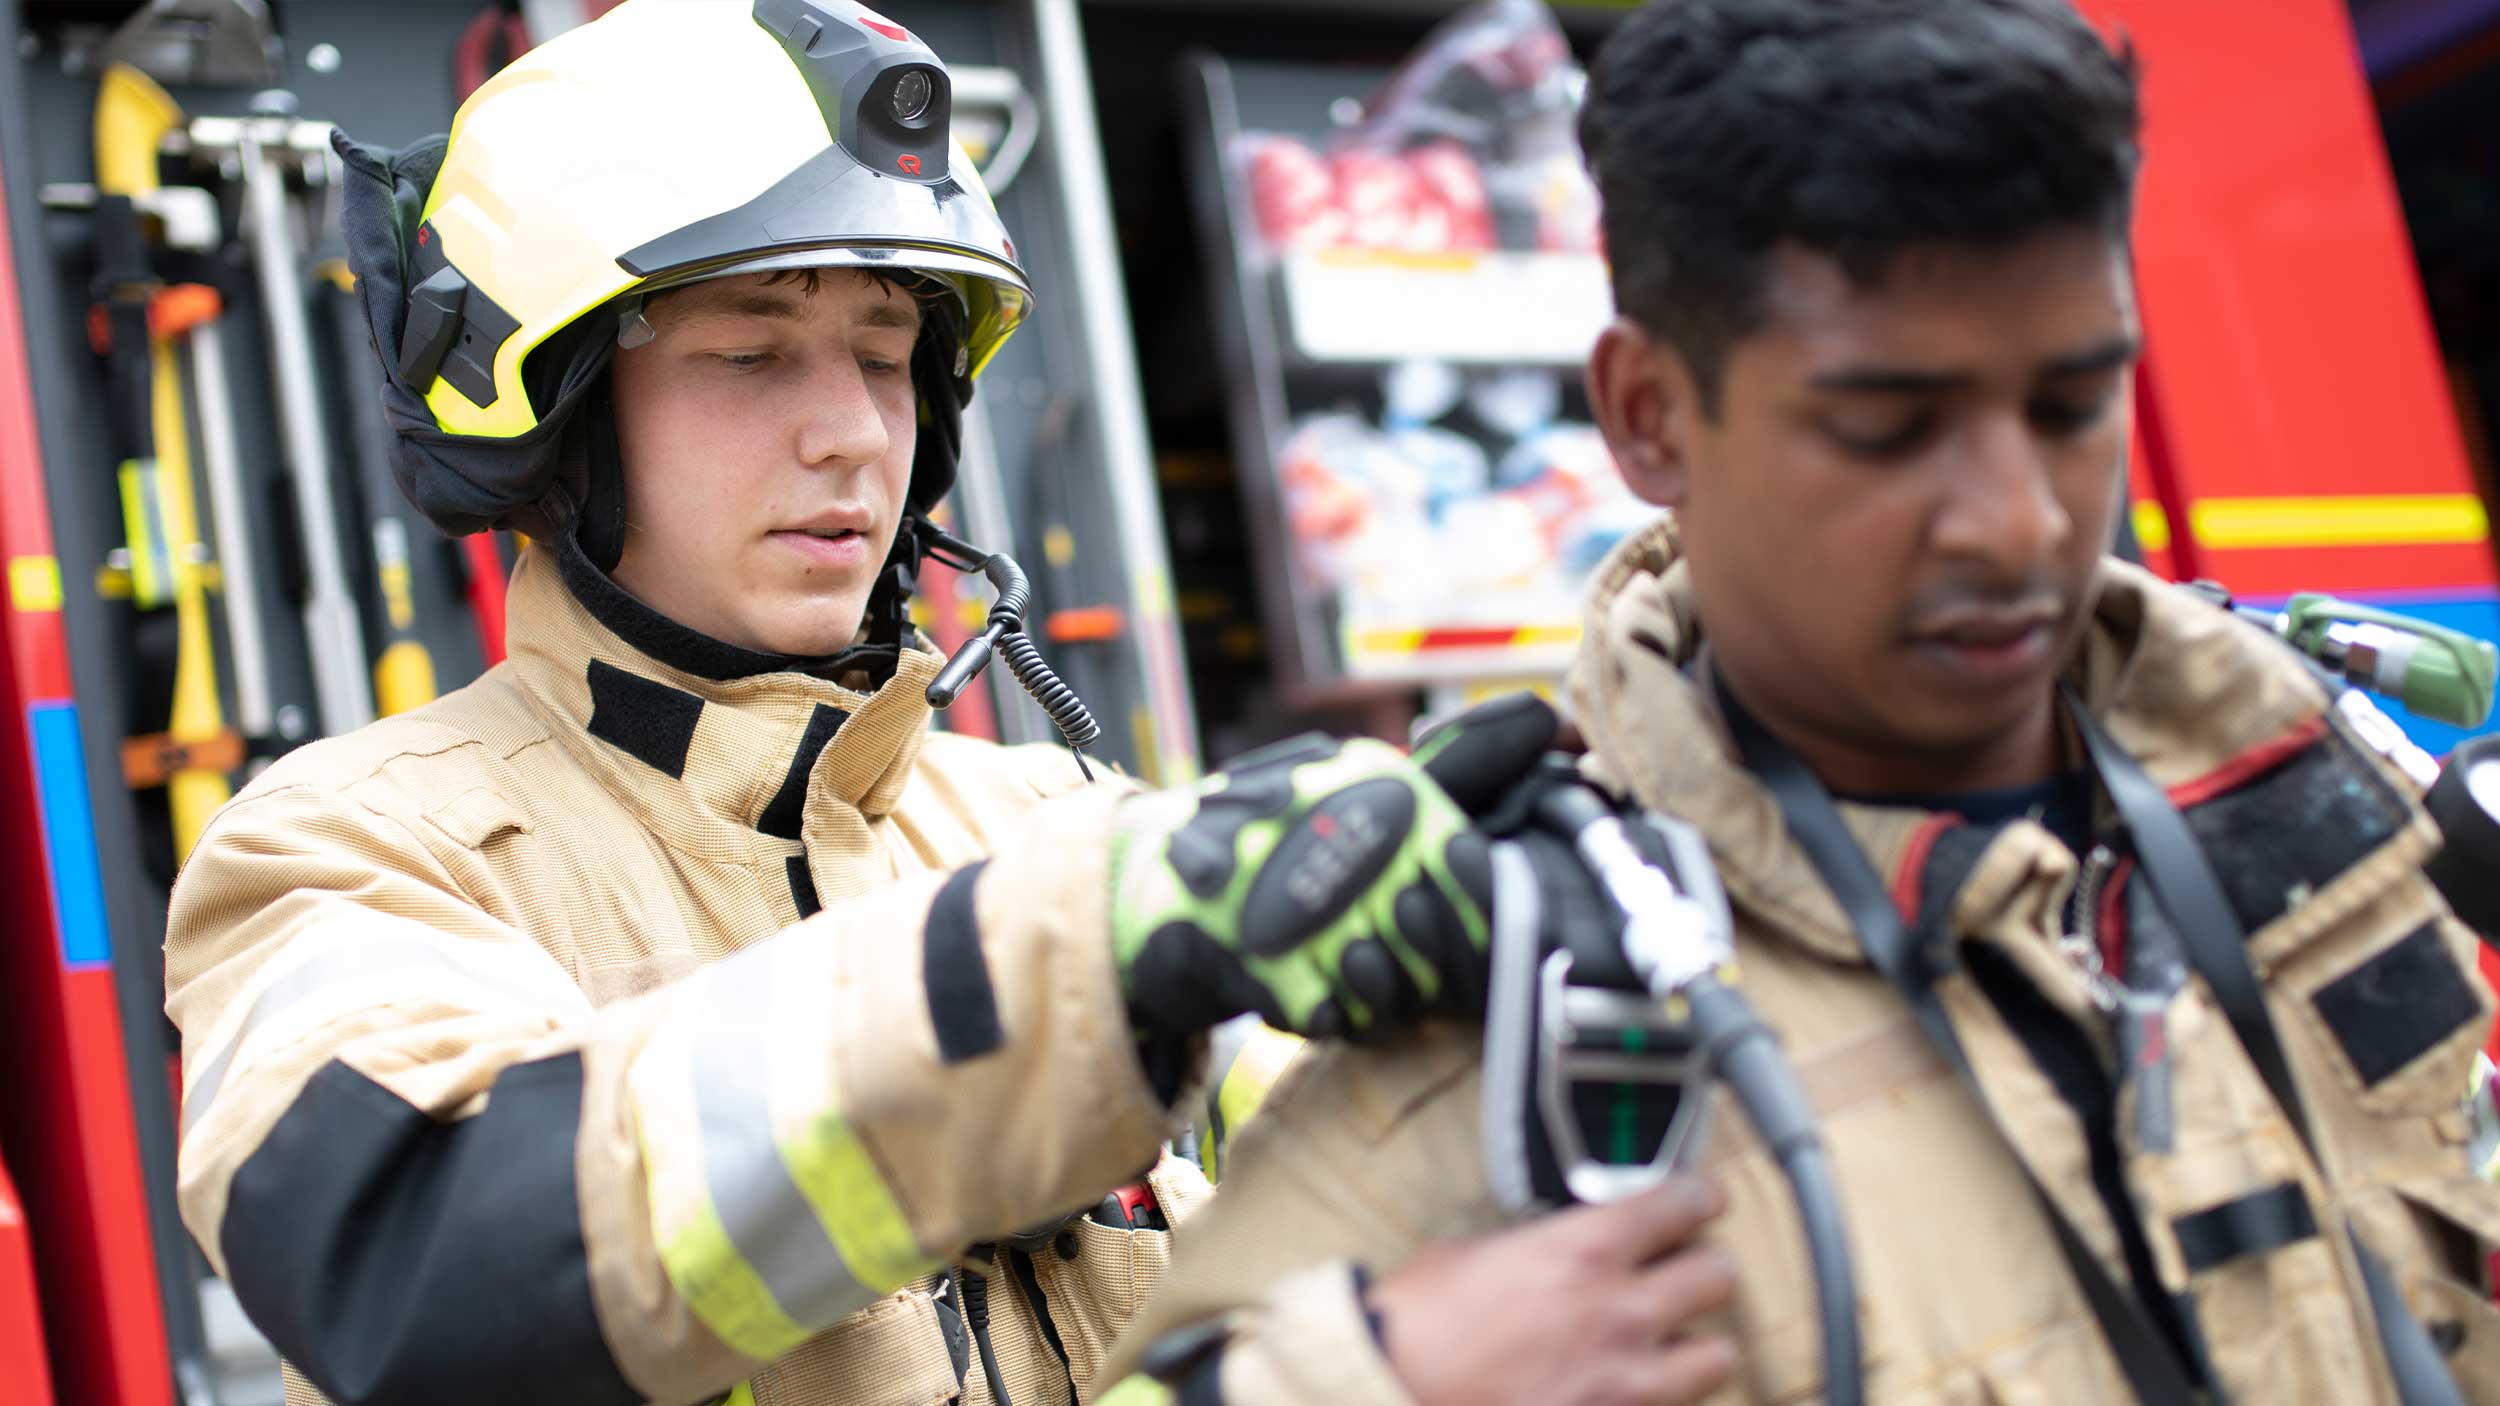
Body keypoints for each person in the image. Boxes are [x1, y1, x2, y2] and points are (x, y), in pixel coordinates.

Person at [157, 3, 1725, 1403]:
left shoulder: (1052, 821)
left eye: (888, 353)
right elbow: (416, 1263)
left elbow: (1402, 1193)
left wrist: (1522, 945)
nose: (852, 433)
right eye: (750, 354)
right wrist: (1078, 962)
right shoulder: (346, 849)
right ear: (551, 419)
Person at [1099, 1, 2500, 1402]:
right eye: (1887, 427)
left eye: (2074, 405)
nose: (2016, 523)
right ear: (1646, 415)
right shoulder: (1507, 1057)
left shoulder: (2324, 830)